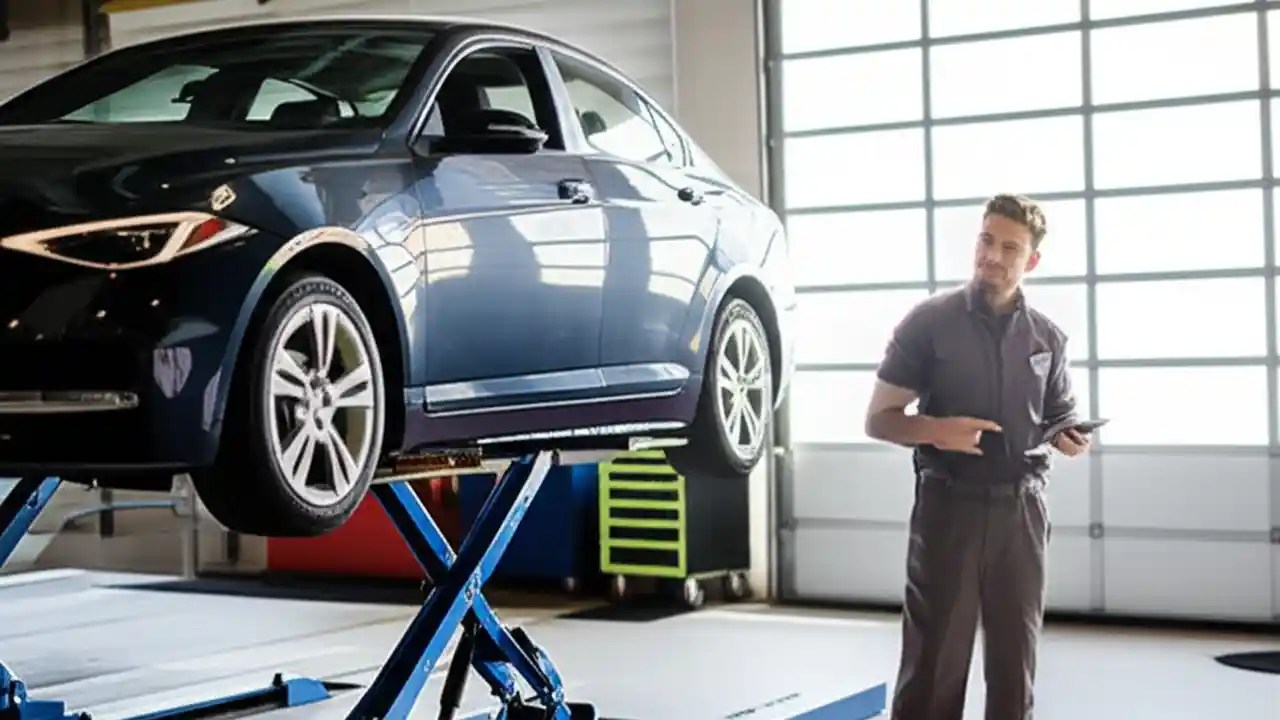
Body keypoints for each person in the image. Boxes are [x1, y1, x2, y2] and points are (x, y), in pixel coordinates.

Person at [864, 193, 1092, 720]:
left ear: (1030, 261)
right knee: (934, 661)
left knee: (1016, 667)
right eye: (986, 240)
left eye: (1010, 247)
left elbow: (1058, 413)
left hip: (1023, 515)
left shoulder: (1047, 339)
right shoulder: (928, 322)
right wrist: (938, 430)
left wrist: (1067, 435)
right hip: (949, 508)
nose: (992, 255)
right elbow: (879, 417)